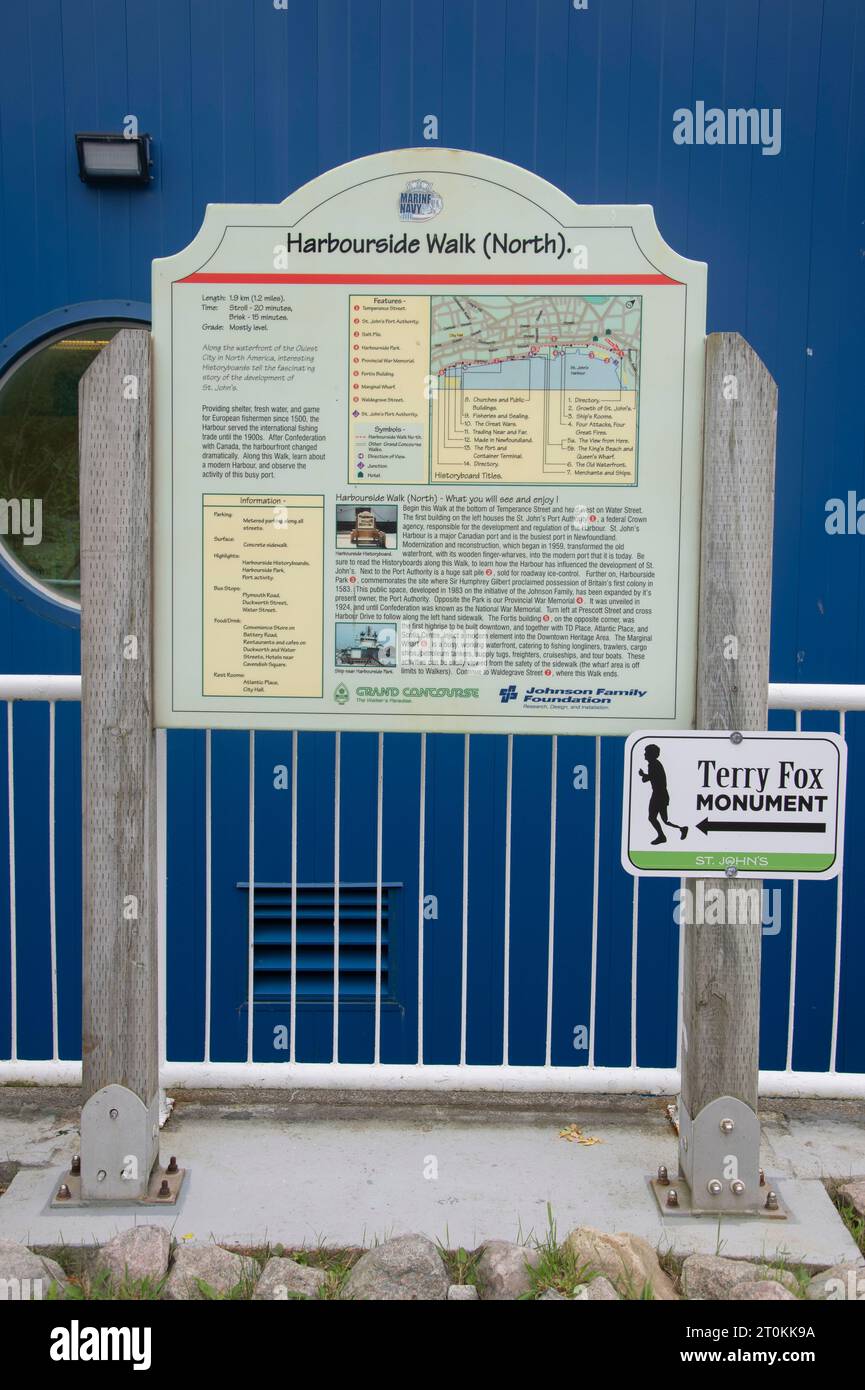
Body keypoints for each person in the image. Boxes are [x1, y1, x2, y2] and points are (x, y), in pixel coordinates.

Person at [638, 744, 688, 844]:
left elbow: (649, 778)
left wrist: (643, 775)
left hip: (659, 795)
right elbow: (650, 778)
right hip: (659, 794)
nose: (645, 754)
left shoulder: (654, 764)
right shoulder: (653, 764)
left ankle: (667, 834)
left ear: (652, 754)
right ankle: (670, 833)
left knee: (655, 818)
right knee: (658, 819)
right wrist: (644, 776)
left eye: (646, 752)